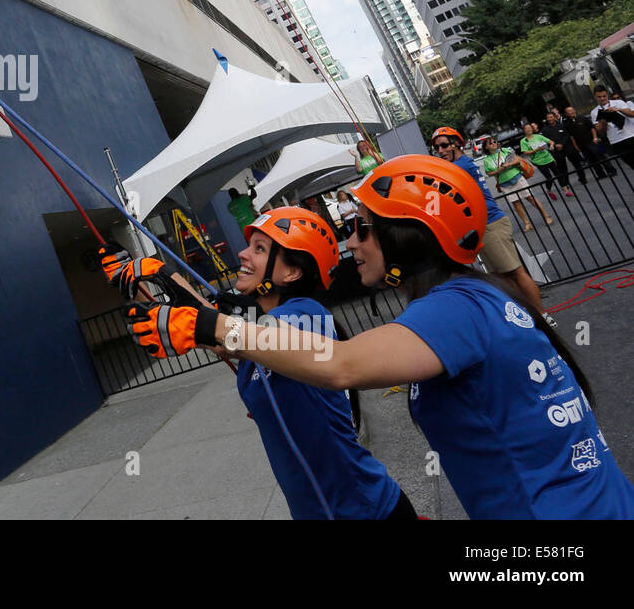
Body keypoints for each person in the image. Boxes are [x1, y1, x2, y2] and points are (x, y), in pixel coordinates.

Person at [125, 156, 634, 518]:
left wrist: (210, 324)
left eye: (362, 229)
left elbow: (338, 365)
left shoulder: (454, 309)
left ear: (406, 235)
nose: (352, 242)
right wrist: (166, 291)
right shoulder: (474, 297)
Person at [117, 208, 414, 519]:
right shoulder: (255, 330)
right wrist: (160, 275)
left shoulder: (305, 315)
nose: (243, 253)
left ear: (292, 273)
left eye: (260, 249)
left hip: (368, 512)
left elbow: (234, 332)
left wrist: (199, 322)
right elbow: (219, 329)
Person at [428, 127, 552, 324]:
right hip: (480, 226)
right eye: (437, 148)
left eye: (444, 145)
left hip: (490, 224)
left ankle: (543, 318)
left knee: (515, 272)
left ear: (456, 144)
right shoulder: (459, 164)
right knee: (500, 276)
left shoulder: (461, 166)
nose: (440, 150)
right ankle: (525, 316)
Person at [482, 135, 552, 231]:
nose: (494, 144)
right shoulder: (486, 160)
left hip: (517, 178)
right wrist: (500, 170)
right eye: (491, 143)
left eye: (494, 142)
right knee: (516, 203)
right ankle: (527, 223)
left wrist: (509, 164)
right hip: (504, 184)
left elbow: (517, 160)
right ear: (486, 147)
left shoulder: (505, 151)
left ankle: (546, 216)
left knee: (530, 198)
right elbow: (489, 173)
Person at [519, 123, 568, 200]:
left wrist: (551, 145)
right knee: (549, 178)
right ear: (524, 131)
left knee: (558, 174)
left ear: (532, 129)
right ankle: (548, 190)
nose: (528, 129)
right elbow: (525, 152)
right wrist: (537, 150)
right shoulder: (523, 141)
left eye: (530, 128)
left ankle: (566, 191)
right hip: (539, 161)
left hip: (548, 158)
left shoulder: (538, 136)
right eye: (526, 128)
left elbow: (551, 141)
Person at [563, 105, 615, 179]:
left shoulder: (582, 118)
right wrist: (576, 146)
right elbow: (571, 136)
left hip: (591, 142)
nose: (571, 112)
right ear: (566, 114)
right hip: (582, 145)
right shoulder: (567, 124)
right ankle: (601, 174)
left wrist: (595, 138)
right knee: (591, 161)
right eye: (569, 111)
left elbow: (592, 128)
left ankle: (611, 170)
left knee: (600, 157)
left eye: (572, 110)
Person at [590, 86, 634, 172]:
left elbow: (632, 114)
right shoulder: (594, 112)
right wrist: (603, 121)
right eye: (599, 97)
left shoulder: (619, 102)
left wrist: (618, 110)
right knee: (631, 164)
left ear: (607, 94)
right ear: (595, 96)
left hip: (631, 136)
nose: (602, 98)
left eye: (604, 96)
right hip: (616, 141)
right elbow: (601, 132)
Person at [538, 108, 576, 194]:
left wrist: (562, 144)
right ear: (546, 119)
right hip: (556, 151)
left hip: (566, 148)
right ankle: (565, 183)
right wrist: (555, 145)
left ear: (554, 117)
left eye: (551, 117)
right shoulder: (544, 129)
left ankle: (582, 178)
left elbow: (567, 135)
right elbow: (545, 141)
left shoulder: (560, 125)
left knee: (575, 163)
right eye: (548, 118)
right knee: (562, 168)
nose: (550, 119)